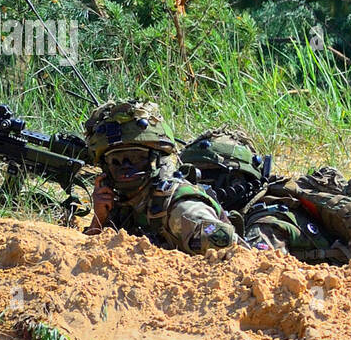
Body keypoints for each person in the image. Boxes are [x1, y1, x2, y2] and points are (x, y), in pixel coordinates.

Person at [82, 100, 240, 255]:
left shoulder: (180, 207)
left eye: (135, 158)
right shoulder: (121, 204)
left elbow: (230, 249)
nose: (125, 167)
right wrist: (99, 219)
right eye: (115, 161)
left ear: (155, 160)